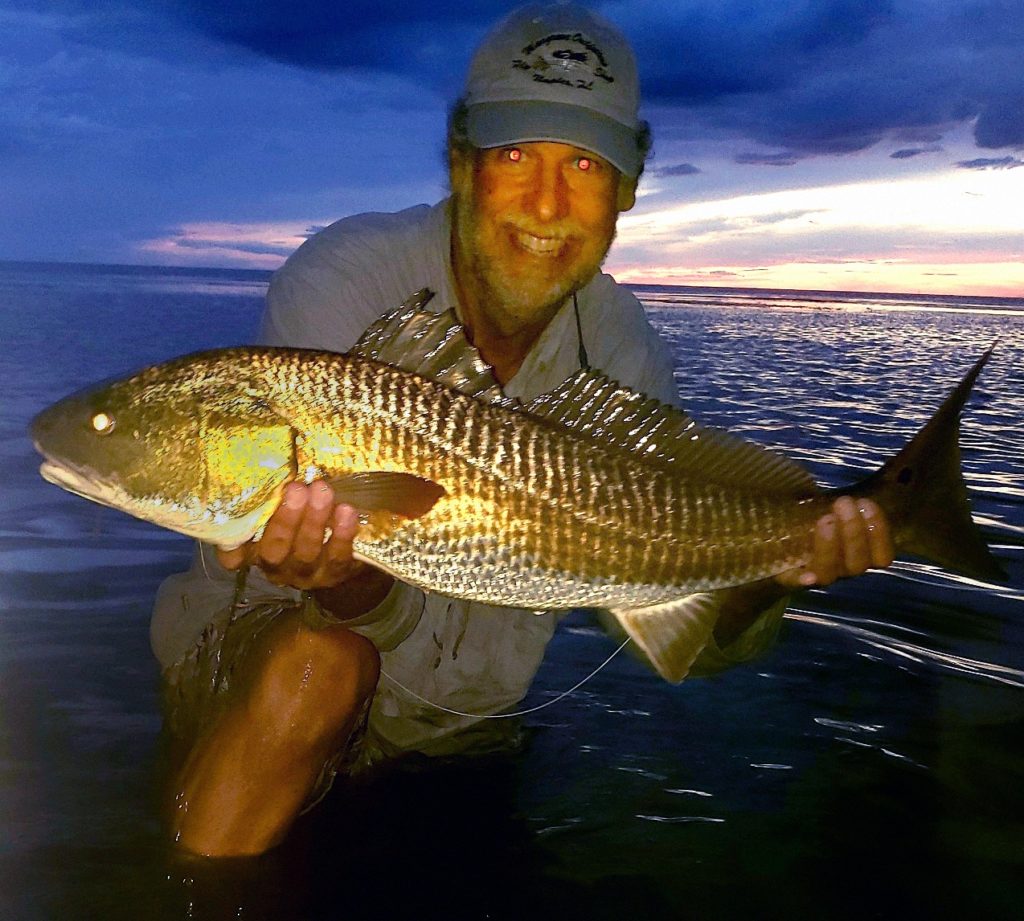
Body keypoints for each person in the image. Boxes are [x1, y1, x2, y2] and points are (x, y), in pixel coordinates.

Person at [151, 3, 893, 858]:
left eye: (584, 162)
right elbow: (332, 594)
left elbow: (687, 636)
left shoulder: (623, 349)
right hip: (267, 673)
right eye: (514, 155)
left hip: (462, 725)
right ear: (463, 167)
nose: (547, 203)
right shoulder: (347, 280)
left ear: (627, 193)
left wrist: (784, 562)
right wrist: (347, 579)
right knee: (317, 672)